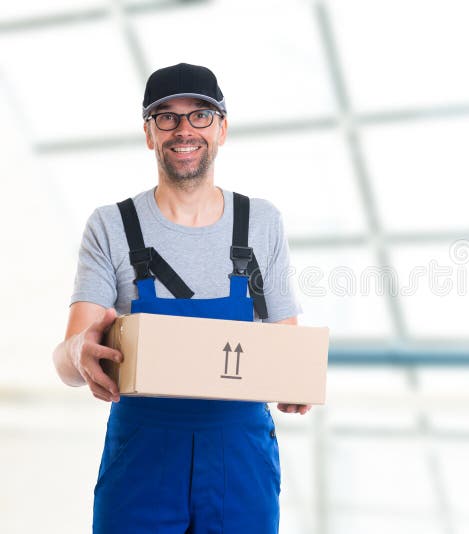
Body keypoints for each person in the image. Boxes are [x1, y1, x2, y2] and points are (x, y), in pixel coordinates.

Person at [51, 63, 309, 534]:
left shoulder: (262, 223)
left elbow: (284, 351)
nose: (184, 129)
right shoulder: (111, 226)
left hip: (241, 460)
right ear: (149, 134)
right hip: (142, 459)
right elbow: (69, 359)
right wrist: (78, 354)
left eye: (201, 115)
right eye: (166, 117)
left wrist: (295, 385)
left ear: (223, 128)